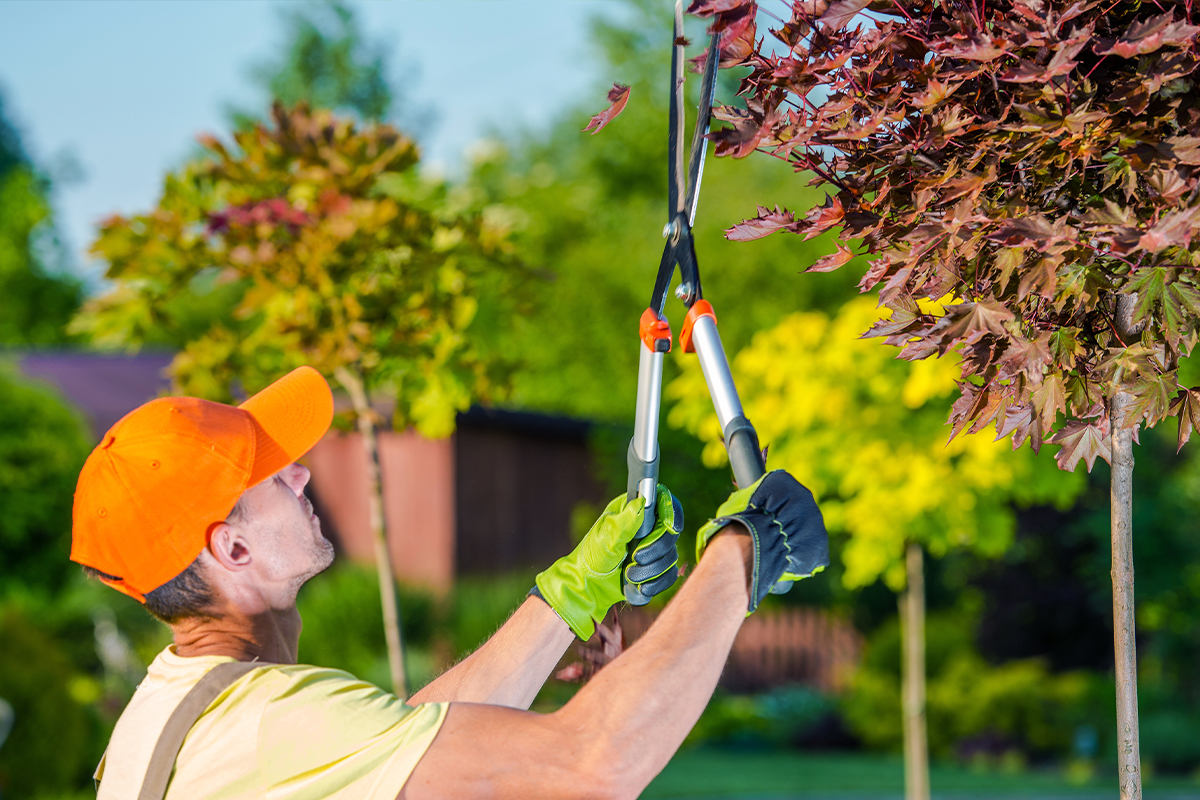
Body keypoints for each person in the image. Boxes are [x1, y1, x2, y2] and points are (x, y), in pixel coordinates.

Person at [73, 366, 828, 800]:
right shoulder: (267, 721)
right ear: (230, 548)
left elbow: (399, 741)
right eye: (272, 474)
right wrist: (744, 554)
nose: (302, 471)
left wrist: (575, 589)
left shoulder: (182, 708)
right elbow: (594, 766)